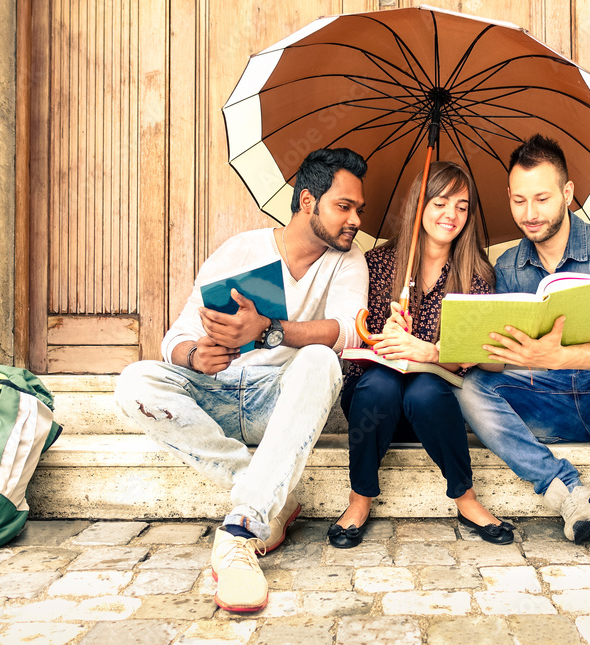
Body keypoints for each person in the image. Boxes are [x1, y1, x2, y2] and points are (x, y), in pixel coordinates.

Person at [115, 148, 369, 612]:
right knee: (136, 381)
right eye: (343, 206)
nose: (354, 220)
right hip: (216, 393)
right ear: (308, 201)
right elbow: (177, 336)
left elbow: (351, 330)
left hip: (279, 402)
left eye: (358, 210)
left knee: (321, 359)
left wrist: (269, 330)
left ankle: (242, 527)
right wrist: (195, 356)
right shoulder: (241, 250)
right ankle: (268, 492)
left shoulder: (348, 260)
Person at [454, 135, 590, 552]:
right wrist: (479, 348)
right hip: (548, 403)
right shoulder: (508, 266)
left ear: (567, 194)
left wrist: (554, 354)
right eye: (519, 201)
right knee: (469, 387)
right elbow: (500, 359)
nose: (530, 214)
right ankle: (570, 495)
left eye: (541, 198)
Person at [328, 160, 515, 548]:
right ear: (420, 204)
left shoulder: (477, 275)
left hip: (433, 414)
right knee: (381, 385)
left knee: (424, 389)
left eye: (462, 207)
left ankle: (466, 498)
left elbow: (488, 357)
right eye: (441, 203)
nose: (452, 215)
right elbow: (356, 340)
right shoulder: (377, 264)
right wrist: (384, 336)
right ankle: (359, 498)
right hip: (374, 410)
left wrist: (428, 352)